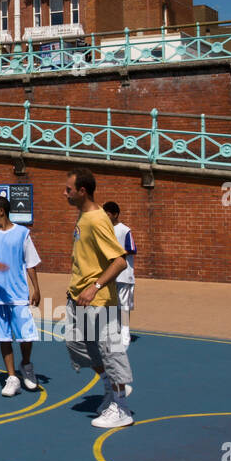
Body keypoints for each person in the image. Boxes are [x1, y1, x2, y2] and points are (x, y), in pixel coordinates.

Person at [63, 167, 133, 429]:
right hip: (78, 298)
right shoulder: (84, 216)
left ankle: (121, 407)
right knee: (77, 345)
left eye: (68, 189)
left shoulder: (96, 219)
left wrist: (94, 286)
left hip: (99, 300)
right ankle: (110, 388)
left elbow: (119, 261)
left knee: (111, 350)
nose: (65, 193)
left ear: (82, 191)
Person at [0, 197, 41, 396]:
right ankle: (12, 377)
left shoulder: (22, 234)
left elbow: (30, 263)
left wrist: (36, 289)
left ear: (1, 211)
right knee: (3, 337)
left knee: (26, 336)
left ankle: (26, 365)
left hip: (19, 294)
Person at [102, 202, 136, 345]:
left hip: (124, 274)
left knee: (124, 305)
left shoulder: (125, 230)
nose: (106, 217)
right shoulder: (104, 230)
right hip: (110, 274)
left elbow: (132, 248)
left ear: (115, 214)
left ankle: (125, 334)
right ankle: (114, 331)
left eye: (108, 214)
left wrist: (117, 253)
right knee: (111, 303)